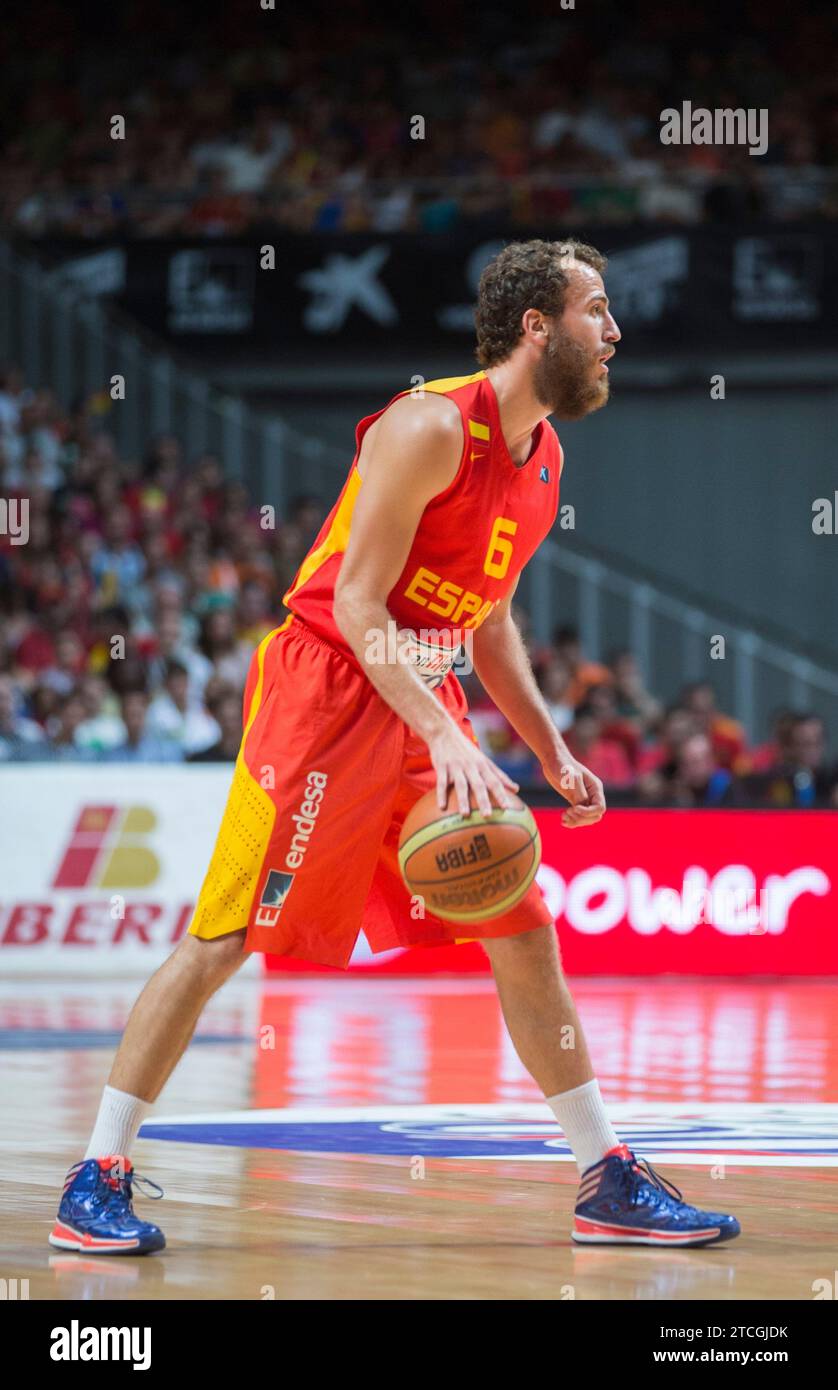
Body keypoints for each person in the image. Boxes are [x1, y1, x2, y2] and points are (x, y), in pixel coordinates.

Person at [51, 238, 739, 1255]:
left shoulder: (545, 457)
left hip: (420, 693)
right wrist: (441, 729)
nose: (615, 333)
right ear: (536, 327)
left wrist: (547, 750)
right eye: (598, 310)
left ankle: (605, 1174)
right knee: (226, 935)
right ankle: (93, 1176)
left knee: (522, 924)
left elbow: (490, 621)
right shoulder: (427, 425)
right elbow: (360, 604)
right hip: (325, 689)